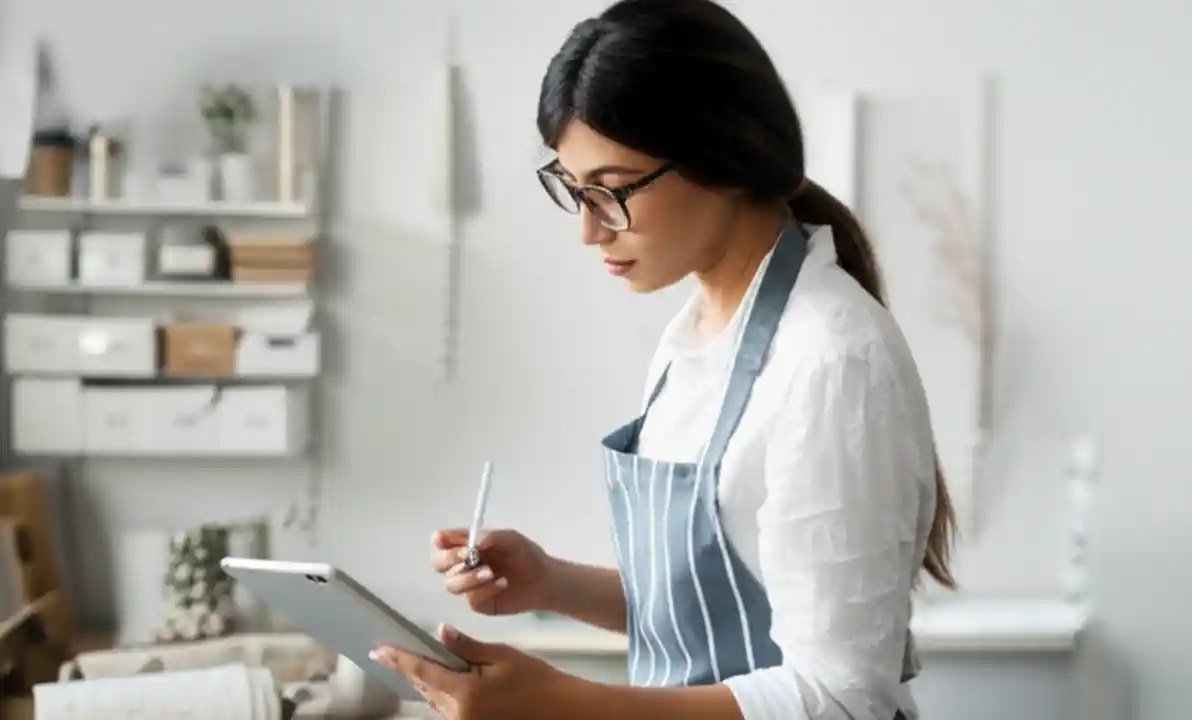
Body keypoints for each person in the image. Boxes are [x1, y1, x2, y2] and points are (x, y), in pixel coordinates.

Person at [371, 1, 956, 717]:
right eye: (573, 188)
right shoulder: (697, 336)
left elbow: (838, 696)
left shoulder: (833, 358)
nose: (589, 228)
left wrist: (561, 706)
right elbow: (724, 609)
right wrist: (550, 582)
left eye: (612, 190)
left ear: (724, 154)